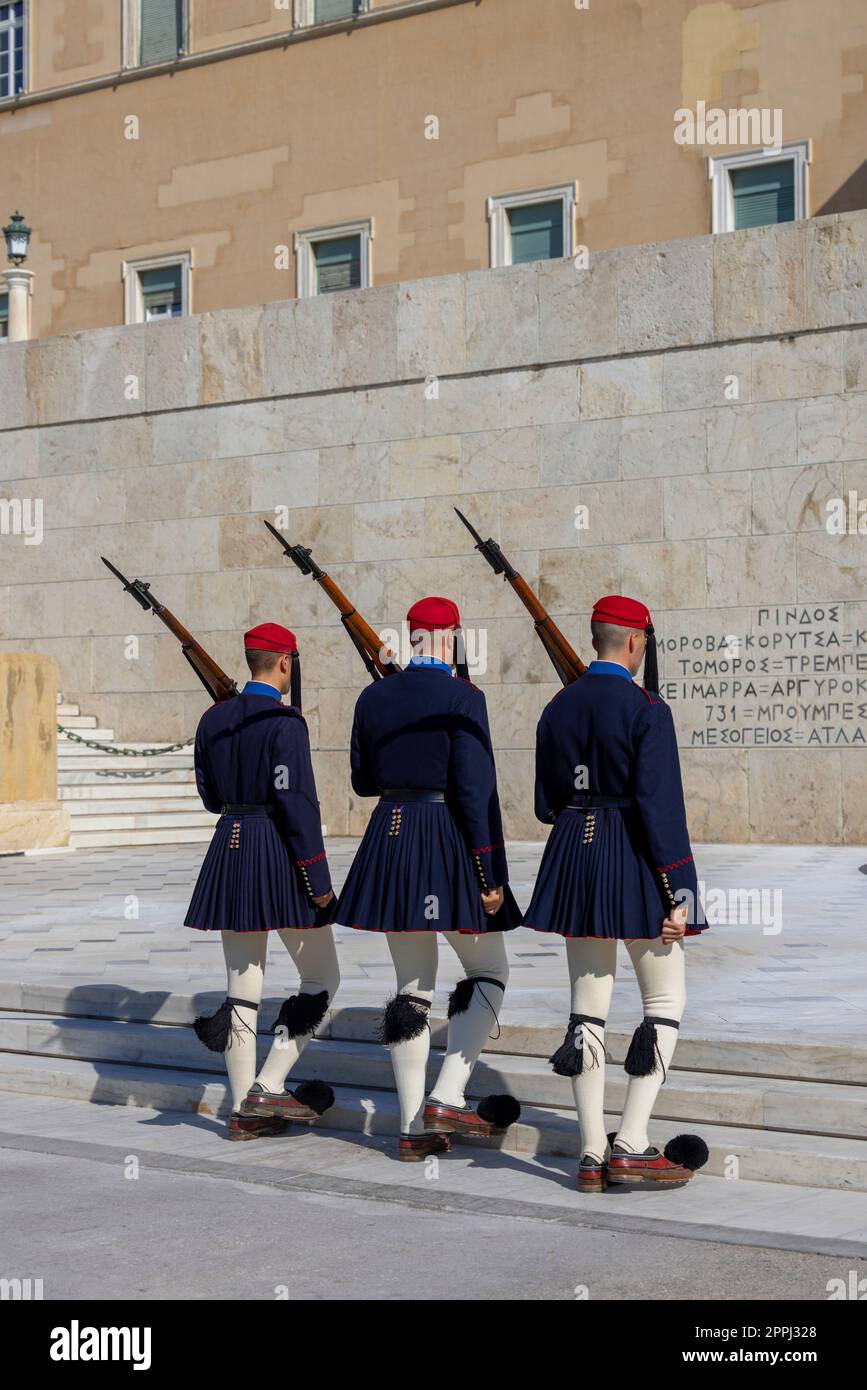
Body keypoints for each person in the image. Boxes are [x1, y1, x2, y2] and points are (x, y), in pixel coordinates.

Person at [525, 595, 709, 1192]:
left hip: (575, 857)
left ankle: (588, 1153)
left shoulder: (558, 706)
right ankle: (630, 1142)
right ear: (635, 643)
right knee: (664, 1001)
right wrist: (682, 890)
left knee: (587, 1009)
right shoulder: (645, 708)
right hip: (632, 858)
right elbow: (661, 807)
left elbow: (544, 804)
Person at [335, 597, 522, 1161]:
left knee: (412, 987)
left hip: (391, 834)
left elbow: (364, 780)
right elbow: (474, 791)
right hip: (446, 838)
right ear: (454, 637)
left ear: (410, 636)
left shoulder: (374, 696)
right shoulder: (464, 698)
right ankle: (446, 1094)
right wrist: (490, 873)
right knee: (489, 969)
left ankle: (413, 1126)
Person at [185, 622, 339, 1141]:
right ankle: (267, 1086)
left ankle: (241, 1113)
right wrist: (317, 878)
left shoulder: (213, 719)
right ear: (285, 664)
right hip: (276, 852)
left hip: (229, 845)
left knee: (241, 991)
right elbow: (297, 804)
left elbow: (209, 797)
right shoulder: (286, 724)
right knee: (321, 979)